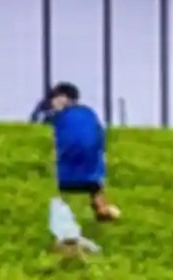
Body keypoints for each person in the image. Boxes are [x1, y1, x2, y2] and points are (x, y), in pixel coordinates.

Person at [46, 82, 120, 222]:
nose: (53, 102)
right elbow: (99, 136)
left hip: (66, 169)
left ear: (64, 98)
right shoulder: (89, 113)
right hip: (92, 169)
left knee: (59, 190)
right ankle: (102, 209)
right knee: (94, 189)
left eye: (55, 98)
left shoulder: (60, 117)